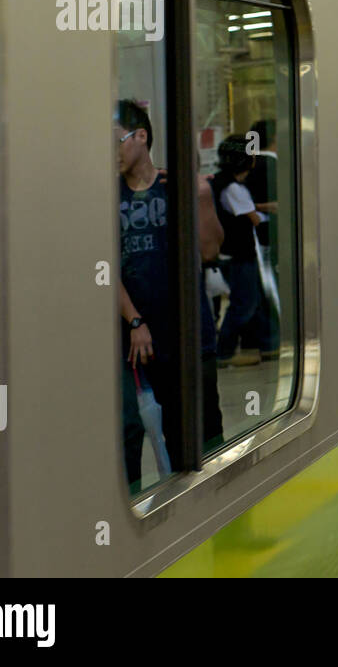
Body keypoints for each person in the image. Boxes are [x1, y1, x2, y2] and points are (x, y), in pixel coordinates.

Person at [116, 99, 224, 491]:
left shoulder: (176, 185)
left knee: (201, 442)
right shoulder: (109, 196)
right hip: (140, 346)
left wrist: (201, 199)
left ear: (140, 136)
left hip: (191, 338)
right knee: (139, 435)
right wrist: (135, 321)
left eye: (116, 140)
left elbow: (210, 250)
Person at [212, 135, 266, 367]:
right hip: (238, 254)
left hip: (230, 253)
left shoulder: (222, 182)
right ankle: (224, 352)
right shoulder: (234, 187)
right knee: (244, 303)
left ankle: (254, 343)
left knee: (246, 301)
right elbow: (254, 218)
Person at [245, 118, 280, 362]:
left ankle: (256, 340)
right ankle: (272, 340)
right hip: (272, 236)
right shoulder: (277, 166)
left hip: (251, 239)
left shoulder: (248, 166)